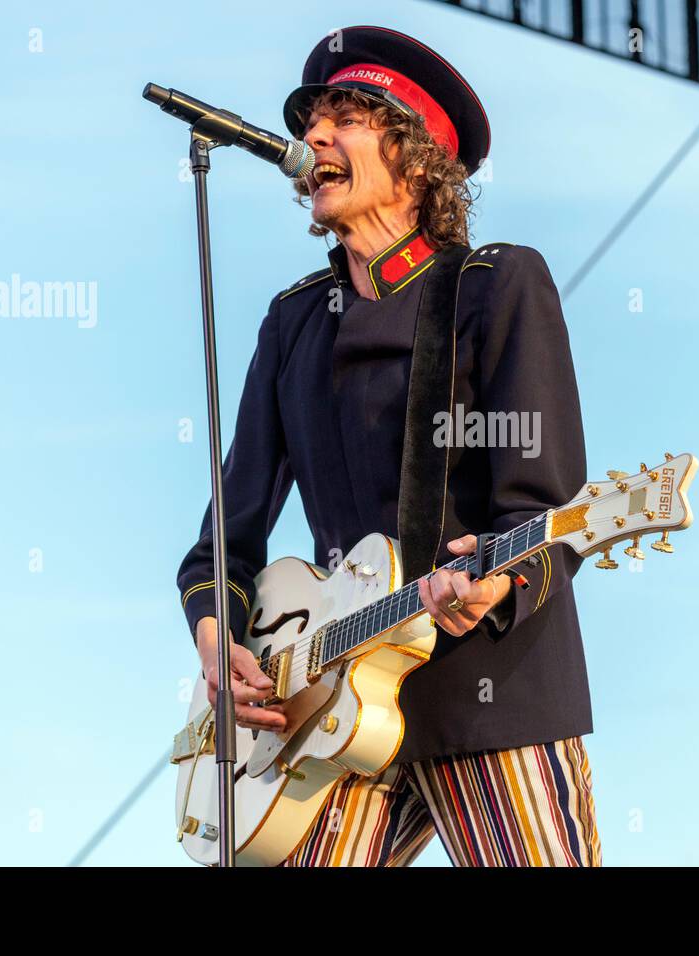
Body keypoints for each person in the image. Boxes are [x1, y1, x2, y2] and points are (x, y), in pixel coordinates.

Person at [177, 25, 600, 866]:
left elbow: (545, 509)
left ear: (415, 157)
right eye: (312, 123)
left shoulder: (496, 286)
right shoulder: (293, 322)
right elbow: (225, 538)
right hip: (331, 714)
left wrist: (497, 580)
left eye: (347, 119)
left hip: (487, 694)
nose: (314, 138)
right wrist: (221, 643)